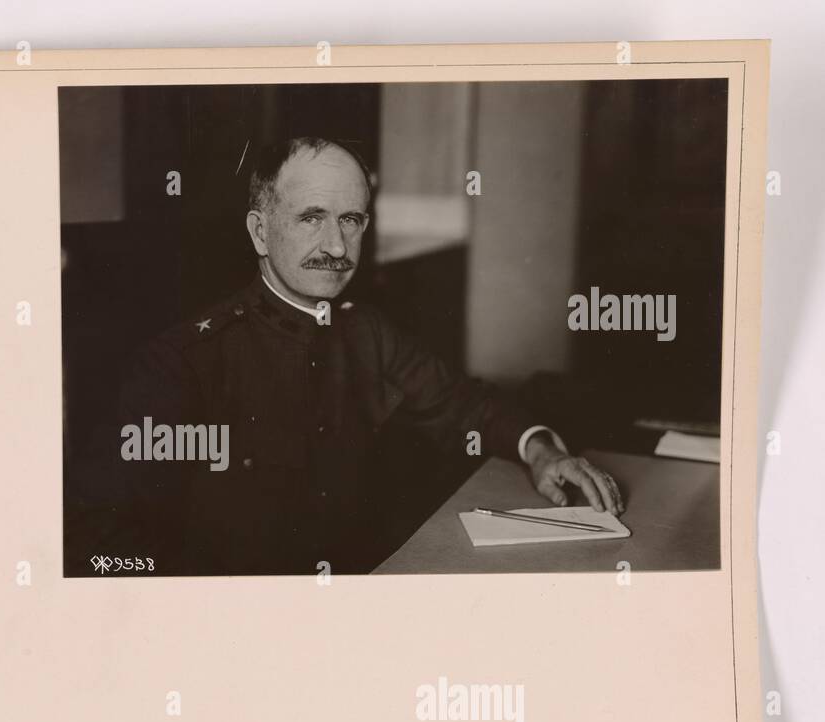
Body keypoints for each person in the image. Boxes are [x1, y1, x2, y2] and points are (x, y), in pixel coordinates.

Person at [66, 136, 623, 576]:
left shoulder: (366, 331)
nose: (336, 247)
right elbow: (98, 546)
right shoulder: (182, 363)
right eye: (311, 218)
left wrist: (543, 450)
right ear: (260, 232)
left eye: (351, 220)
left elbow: (468, 405)